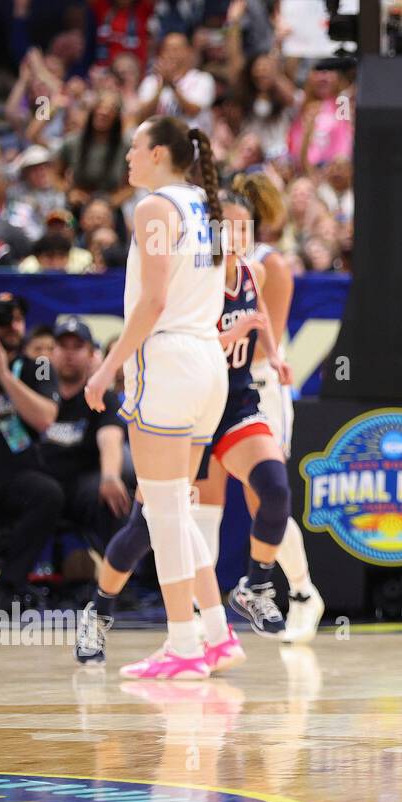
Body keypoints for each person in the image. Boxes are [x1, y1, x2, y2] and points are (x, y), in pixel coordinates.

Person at [76, 181, 326, 667]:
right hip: (187, 403)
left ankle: (255, 586)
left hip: (232, 402)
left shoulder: (255, 270)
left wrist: (272, 353)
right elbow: (153, 322)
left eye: (241, 225)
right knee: (150, 525)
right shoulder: (193, 280)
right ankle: (99, 610)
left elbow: (258, 318)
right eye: (225, 225)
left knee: (275, 489)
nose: (235, 233)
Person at [80, 115, 229, 679]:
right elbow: (231, 278)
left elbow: (153, 301)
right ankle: (215, 631)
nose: (129, 158)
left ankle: (184, 646)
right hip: (207, 360)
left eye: (136, 148)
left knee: (162, 513)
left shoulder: (152, 208)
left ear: (161, 153)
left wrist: (105, 370)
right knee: (175, 509)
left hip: (166, 361)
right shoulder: (209, 202)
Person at [236, 173, 320, 633]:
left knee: (263, 500)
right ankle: (197, 612)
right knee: (203, 494)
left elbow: (267, 339)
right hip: (221, 385)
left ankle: (304, 593)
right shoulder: (218, 261)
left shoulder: (271, 263)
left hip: (262, 386)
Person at [39, 318, 132, 562]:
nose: (69, 354)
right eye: (63, 346)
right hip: (42, 481)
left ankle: (117, 586)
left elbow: (111, 436)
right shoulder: (36, 394)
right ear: (52, 352)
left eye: (77, 347)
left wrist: (111, 476)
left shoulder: (101, 397)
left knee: (114, 497)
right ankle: (14, 585)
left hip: (82, 483)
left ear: (91, 354)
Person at [0, 292, 61, 605]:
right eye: (4, 320)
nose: (12, 326)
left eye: (18, 319)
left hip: (17, 473)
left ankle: (7, 587)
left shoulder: (41, 366)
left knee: (48, 494)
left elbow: (46, 417)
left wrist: (4, 376)